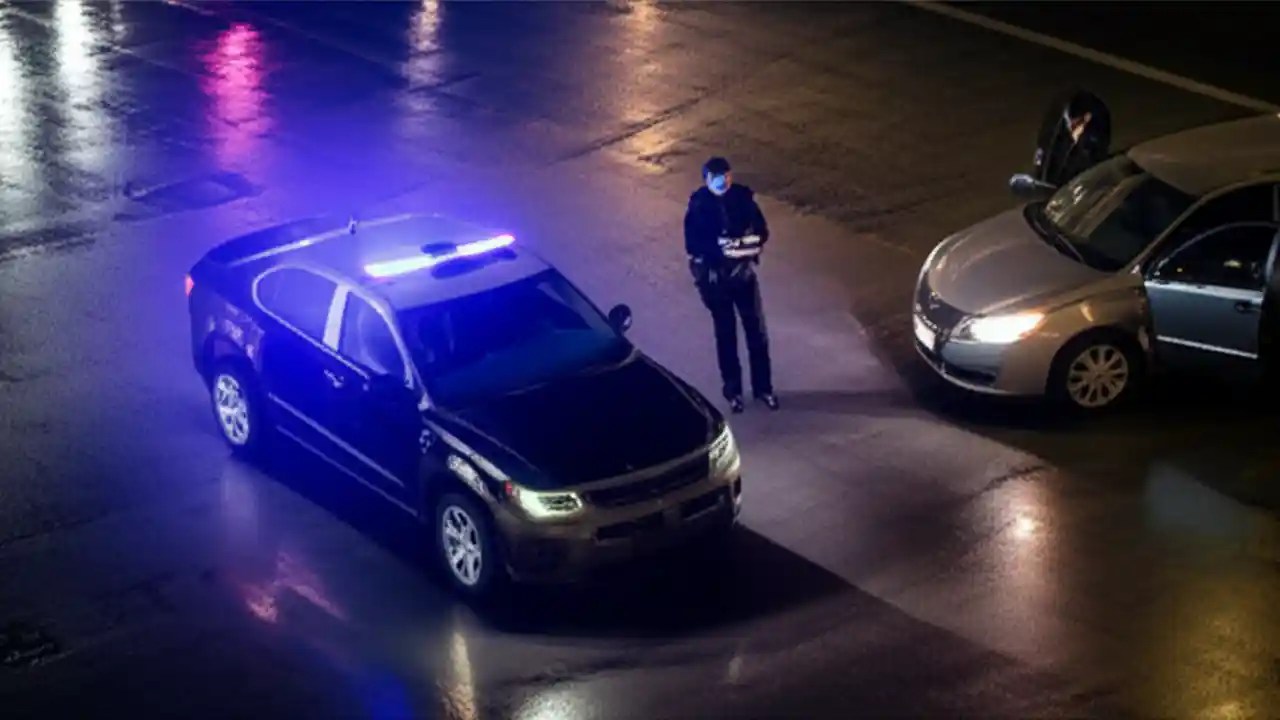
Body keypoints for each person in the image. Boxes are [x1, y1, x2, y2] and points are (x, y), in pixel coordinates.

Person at [684, 156, 778, 413]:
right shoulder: (699, 206)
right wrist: (719, 248)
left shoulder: (743, 199)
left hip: (744, 275)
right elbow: (693, 244)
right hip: (717, 281)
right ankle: (733, 391)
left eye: (726, 175)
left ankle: (764, 388)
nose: (723, 181)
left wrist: (745, 242)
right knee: (726, 335)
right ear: (706, 180)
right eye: (716, 176)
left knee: (756, 332)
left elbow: (762, 231)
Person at [1032, 88, 1111, 188]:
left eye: (1076, 125)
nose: (1073, 129)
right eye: (1071, 124)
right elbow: (1045, 156)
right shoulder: (1056, 131)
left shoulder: (1094, 136)